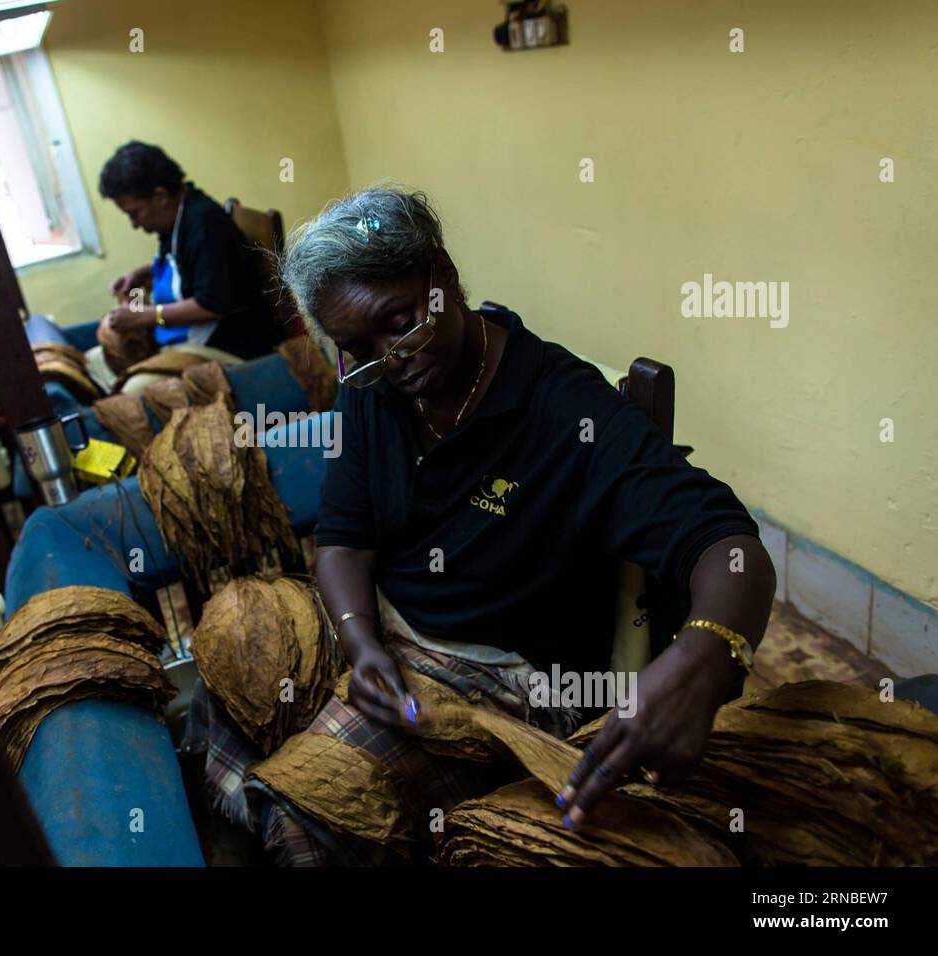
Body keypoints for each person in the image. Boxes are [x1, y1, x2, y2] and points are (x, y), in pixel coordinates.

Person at [223, 186, 777, 865]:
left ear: (444, 280)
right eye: (358, 348)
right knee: (224, 693)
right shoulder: (370, 386)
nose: (390, 360)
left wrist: (704, 654)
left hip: (498, 675)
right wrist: (361, 641)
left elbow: (727, 544)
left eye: (402, 322)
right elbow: (343, 537)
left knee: (302, 825)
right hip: (384, 630)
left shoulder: (565, 409)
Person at [89, 141, 280, 393]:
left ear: (160, 196)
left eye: (135, 213)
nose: (134, 224)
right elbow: (192, 262)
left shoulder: (206, 225)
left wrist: (145, 316)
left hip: (233, 348)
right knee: (93, 361)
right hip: (195, 339)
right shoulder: (179, 218)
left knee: (135, 390)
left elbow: (212, 304)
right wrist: (142, 273)